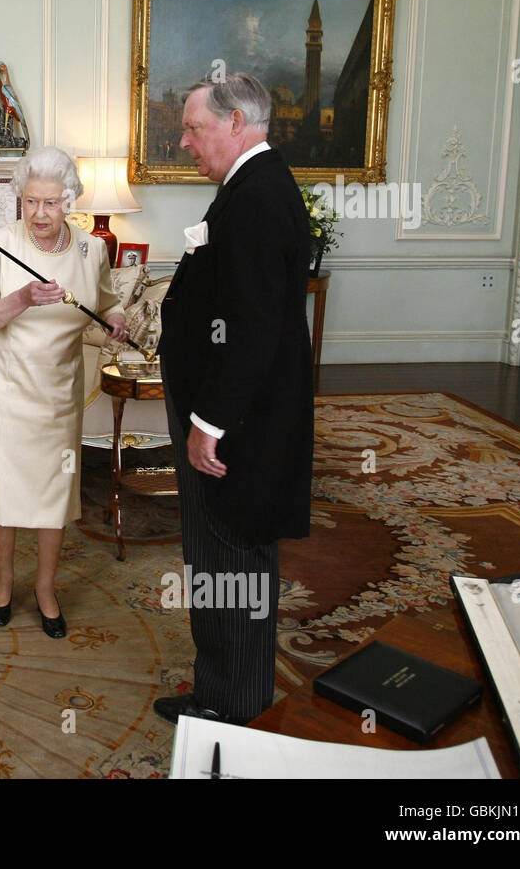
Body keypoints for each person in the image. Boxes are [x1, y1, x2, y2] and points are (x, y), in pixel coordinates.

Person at [154, 72, 313, 725]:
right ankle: (218, 690)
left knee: (234, 562)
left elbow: (250, 328)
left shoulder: (255, 197)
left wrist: (208, 422)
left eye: (194, 128)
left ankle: (240, 712)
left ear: (237, 124)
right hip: (237, 425)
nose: (185, 141)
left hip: (237, 434)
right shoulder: (250, 188)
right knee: (217, 561)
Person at [0, 147, 127, 637]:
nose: (40, 214)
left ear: (69, 201)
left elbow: (107, 300)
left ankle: (47, 589)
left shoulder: (92, 249)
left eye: (51, 203)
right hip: (5, 388)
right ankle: (4, 583)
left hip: (58, 389)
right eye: (30, 202)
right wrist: (24, 297)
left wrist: (114, 319)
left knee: (54, 493)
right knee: (3, 488)